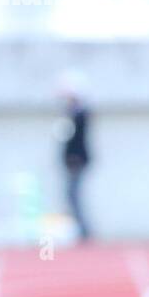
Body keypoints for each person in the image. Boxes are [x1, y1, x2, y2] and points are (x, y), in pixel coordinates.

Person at [59, 80, 92, 241]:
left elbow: (76, 139)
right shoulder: (72, 113)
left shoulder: (80, 114)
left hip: (76, 160)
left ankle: (83, 230)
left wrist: (73, 158)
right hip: (73, 160)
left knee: (73, 195)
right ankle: (80, 229)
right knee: (71, 195)